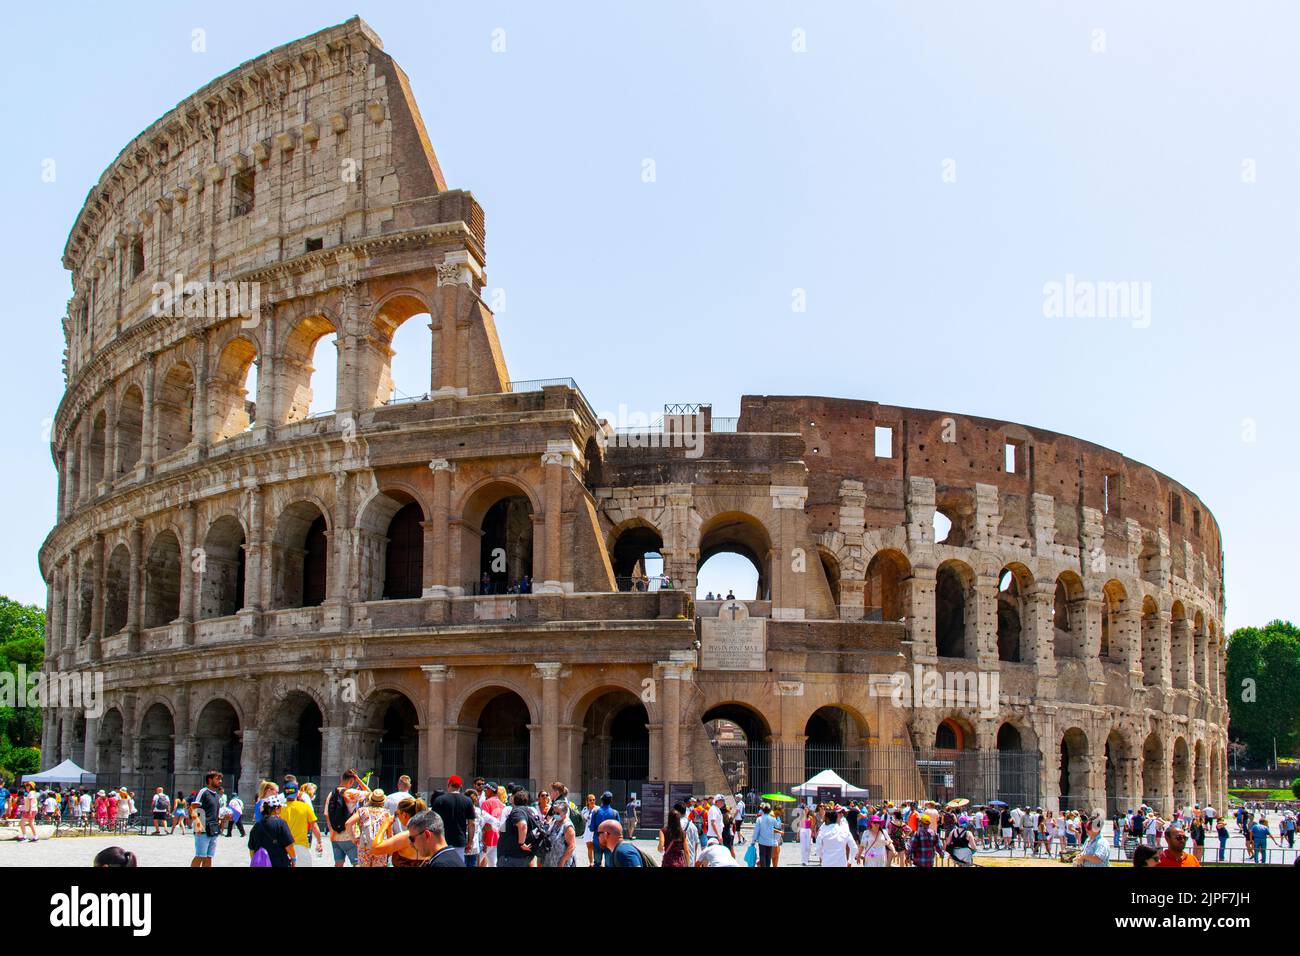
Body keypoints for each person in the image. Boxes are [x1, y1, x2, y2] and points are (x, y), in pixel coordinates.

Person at [324, 769, 369, 867]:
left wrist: (332, 831)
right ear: (351, 781)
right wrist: (359, 780)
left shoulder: (331, 794)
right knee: (357, 863)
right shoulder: (350, 793)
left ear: (341, 778)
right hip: (349, 836)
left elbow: (326, 815)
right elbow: (370, 793)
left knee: (338, 863)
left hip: (335, 836)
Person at [430, 775, 476, 862]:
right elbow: (472, 824)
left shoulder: (439, 800)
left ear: (449, 785)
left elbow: (432, 822)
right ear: (460, 786)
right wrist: (470, 842)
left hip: (442, 841)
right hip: (460, 841)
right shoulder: (468, 801)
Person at [349, 789, 395, 868]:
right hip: (380, 846)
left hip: (364, 845)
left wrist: (353, 838)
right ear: (383, 801)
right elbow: (390, 834)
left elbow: (348, 824)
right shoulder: (386, 813)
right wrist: (390, 852)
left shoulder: (362, 811)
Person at [281, 782, 323, 867]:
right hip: (301, 846)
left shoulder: (280, 808)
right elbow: (314, 827)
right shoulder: (305, 807)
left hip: (284, 846)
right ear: (297, 793)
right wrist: (319, 841)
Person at [247, 793, 294, 868]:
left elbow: (251, 848)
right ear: (276, 809)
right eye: (280, 807)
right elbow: (289, 845)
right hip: (279, 863)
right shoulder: (281, 823)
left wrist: (255, 861)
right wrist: (293, 859)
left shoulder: (257, 825)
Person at [189, 771, 224, 867]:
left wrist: (221, 822)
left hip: (213, 829)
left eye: (220, 779)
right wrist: (198, 825)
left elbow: (214, 813)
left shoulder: (216, 795)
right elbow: (192, 808)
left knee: (209, 857)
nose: (220, 781)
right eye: (217, 779)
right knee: (200, 856)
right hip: (202, 829)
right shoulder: (203, 792)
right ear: (210, 780)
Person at [499, 789, 539, 867]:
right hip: (522, 856)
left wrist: (521, 843)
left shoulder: (517, 811)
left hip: (513, 856)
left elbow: (522, 825)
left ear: (513, 799)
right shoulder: (530, 811)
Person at [540, 788, 577, 867]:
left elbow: (572, 846)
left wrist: (562, 861)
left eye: (558, 813)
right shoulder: (554, 822)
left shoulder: (568, 826)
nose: (555, 814)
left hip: (562, 863)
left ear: (565, 812)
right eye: (554, 812)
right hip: (550, 861)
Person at [589, 791, 621, 867]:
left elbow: (592, 828)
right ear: (611, 801)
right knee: (609, 864)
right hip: (610, 842)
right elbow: (618, 829)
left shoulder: (596, 812)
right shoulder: (615, 813)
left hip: (597, 841)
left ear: (602, 800)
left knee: (597, 863)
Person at [752, 802, 783, 867]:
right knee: (768, 857)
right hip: (770, 841)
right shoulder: (772, 818)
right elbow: (776, 826)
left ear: (763, 810)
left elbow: (756, 831)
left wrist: (753, 840)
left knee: (763, 856)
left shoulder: (759, 819)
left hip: (763, 841)